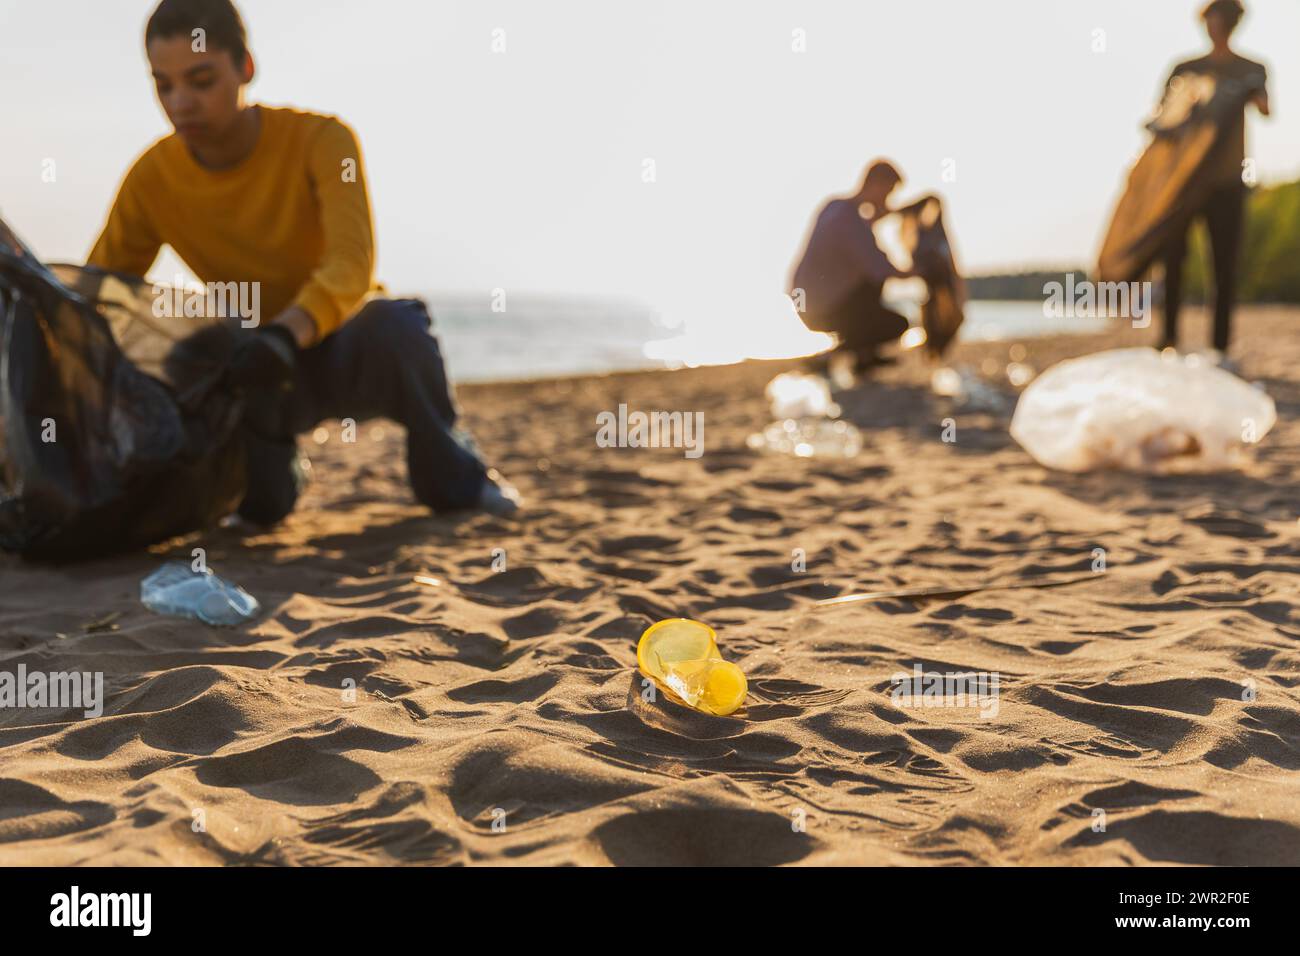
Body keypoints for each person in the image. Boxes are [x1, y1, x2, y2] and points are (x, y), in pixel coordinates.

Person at [88, 0, 521, 525]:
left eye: (201, 80)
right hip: (252, 370)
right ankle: (272, 478)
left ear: (245, 67)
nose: (181, 103)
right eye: (164, 85)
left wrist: (286, 334)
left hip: (341, 346)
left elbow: (351, 263)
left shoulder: (323, 140)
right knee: (259, 506)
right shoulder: (151, 178)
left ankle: (460, 478)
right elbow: (100, 292)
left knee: (398, 324)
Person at [1159, 0, 1269, 359]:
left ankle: (1219, 348)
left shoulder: (1252, 68)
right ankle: (1168, 340)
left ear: (1231, 23)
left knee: (1224, 265)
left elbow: (1267, 110)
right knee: (1173, 259)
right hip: (1183, 182)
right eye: (1209, 19)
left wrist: (1248, 91)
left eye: (1219, 19)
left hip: (1227, 181)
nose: (1213, 25)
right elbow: (1162, 119)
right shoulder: (1186, 67)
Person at [789, 160, 916, 372]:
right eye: (889, 191)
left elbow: (850, 245)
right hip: (823, 309)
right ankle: (836, 355)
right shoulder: (850, 220)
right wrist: (918, 272)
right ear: (876, 184)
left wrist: (874, 219)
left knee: (868, 287)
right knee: (898, 324)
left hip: (804, 303)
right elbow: (878, 267)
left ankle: (863, 356)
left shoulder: (834, 206)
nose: (889, 199)